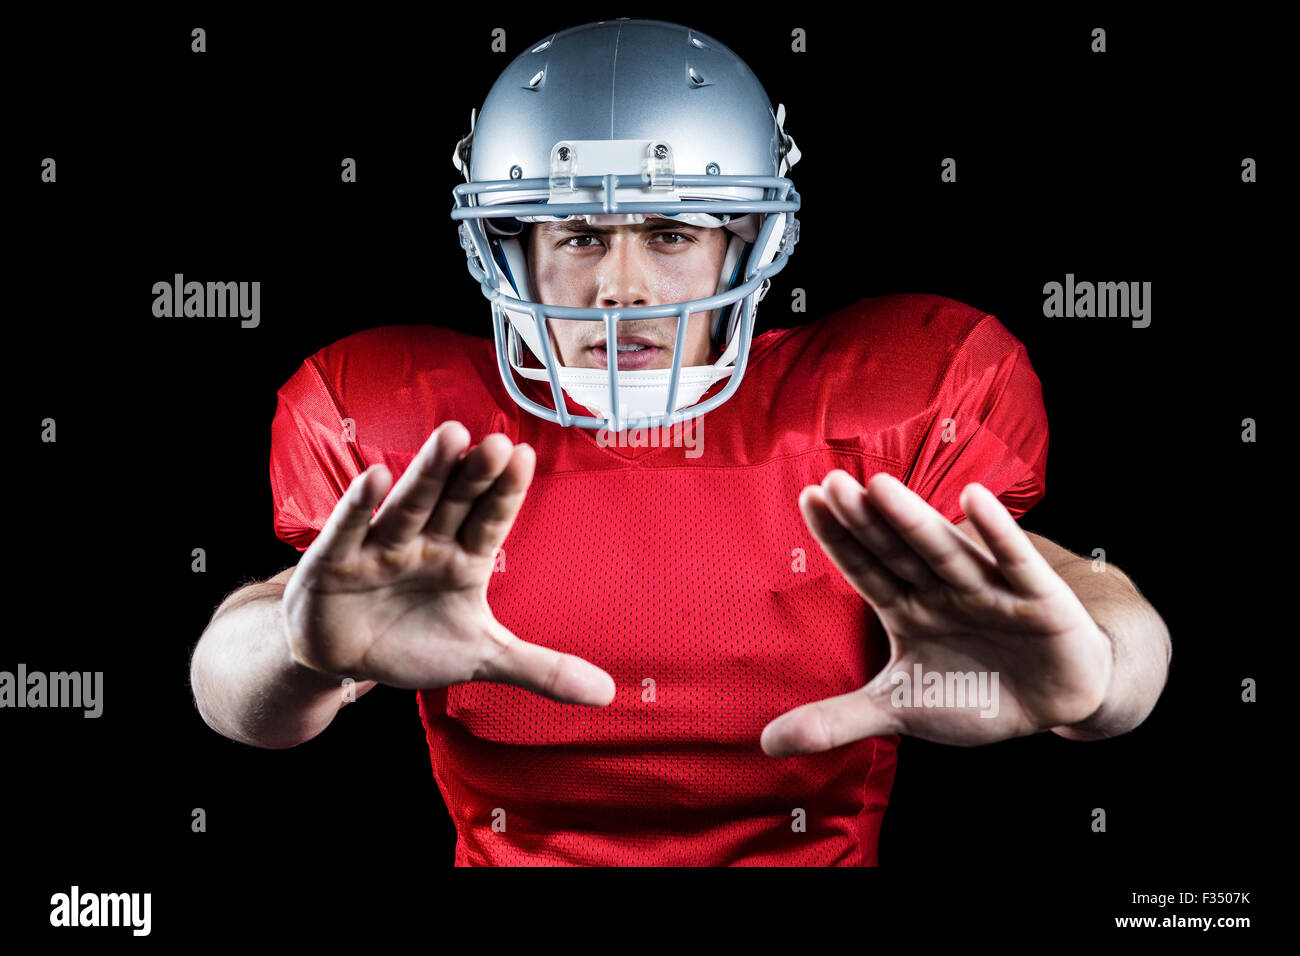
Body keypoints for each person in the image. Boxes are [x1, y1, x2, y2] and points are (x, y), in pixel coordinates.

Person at [189, 18, 1171, 866]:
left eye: (668, 230)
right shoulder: (412, 428)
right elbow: (237, 674)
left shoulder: (896, 392)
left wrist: (1098, 677)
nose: (620, 286)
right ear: (510, 249)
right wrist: (296, 652)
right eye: (576, 234)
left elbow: (1085, 597)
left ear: (747, 239)